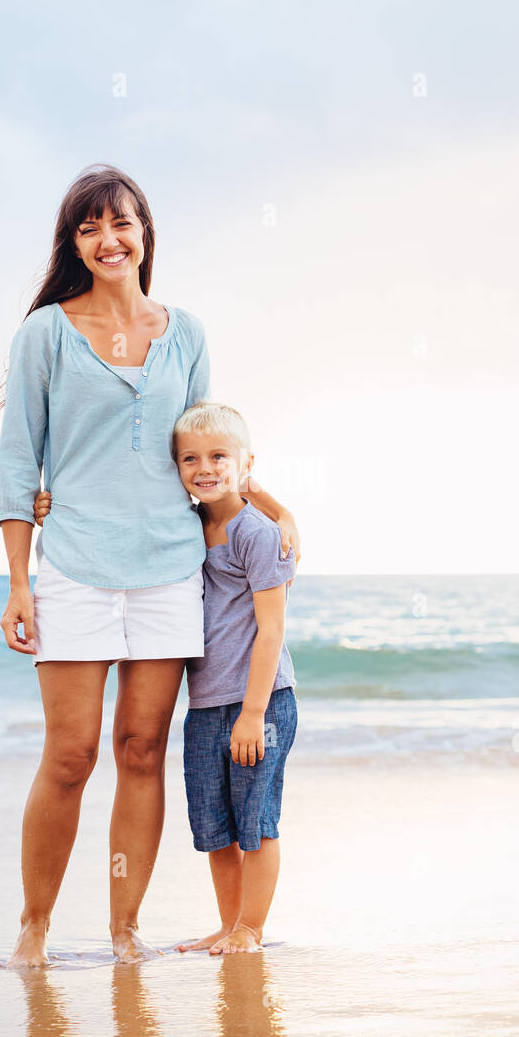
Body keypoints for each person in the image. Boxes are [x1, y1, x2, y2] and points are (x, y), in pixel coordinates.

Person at [0, 163, 300, 968]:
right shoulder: (46, 335)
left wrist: (272, 507)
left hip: (169, 570)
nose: (108, 239)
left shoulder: (185, 332)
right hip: (74, 567)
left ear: (144, 233)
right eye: (89, 228)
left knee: (140, 750)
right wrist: (20, 580)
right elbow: (19, 462)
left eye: (121, 223)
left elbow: (206, 444)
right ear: (74, 243)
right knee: (70, 754)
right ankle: (35, 926)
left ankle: (124, 931)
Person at [173, 401, 299, 954]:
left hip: (260, 703)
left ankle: (252, 929)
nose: (205, 468)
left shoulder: (258, 532)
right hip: (204, 705)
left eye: (219, 456)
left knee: (258, 823)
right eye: (190, 459)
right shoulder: (187, 526)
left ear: (245, 462)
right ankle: (228, 926)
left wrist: (252, 714)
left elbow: (270, 631)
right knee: (215, 829)